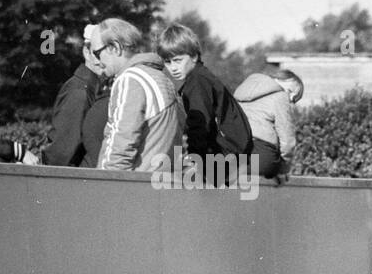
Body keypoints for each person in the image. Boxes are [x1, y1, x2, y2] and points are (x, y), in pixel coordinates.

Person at [158, 23, 253, 185]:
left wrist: (194, 161)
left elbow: (200, 124)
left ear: (194, 56)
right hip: (233, 154)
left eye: (178, 60)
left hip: (222, 157)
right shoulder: (202, 76)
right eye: (168, 62)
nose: (173, 68)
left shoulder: (197, 81)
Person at [91, 18, 183, 171]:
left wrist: (105, 187)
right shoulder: (163, 79)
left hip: (131, 188)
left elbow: (120, 147)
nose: (96, 61)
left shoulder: (130, 80)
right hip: (158, 185)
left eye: (97, 53)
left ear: (115, 47)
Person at [37, 24, 110, 167]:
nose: (102, 60)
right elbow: (60, 156)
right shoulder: (80, 92)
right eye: (97, 54)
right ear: (86, 52)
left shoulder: (92, 88)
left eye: (108, 53)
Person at [234, 68, 302, 182]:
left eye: (294, 100)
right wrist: (284, 168)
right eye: (290, 92)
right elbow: (287, 142)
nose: (290, 98)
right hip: (261, 157)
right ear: (278, 79)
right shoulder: (281, 96)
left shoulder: (239, 93)